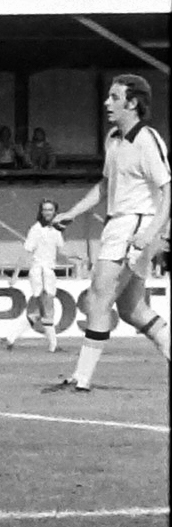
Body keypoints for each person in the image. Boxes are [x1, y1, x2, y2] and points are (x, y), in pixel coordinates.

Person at [45, 74, 170, 392]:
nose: (106, 103)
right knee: (132, 309)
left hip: (136, 224)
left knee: (98, 298)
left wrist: (150, 233)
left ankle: (81, 379)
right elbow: (105, 185)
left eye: (114, 97)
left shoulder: (147, 139)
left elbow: (168, 190)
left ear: (133, 102)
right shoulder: (114, 137)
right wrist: (72, 213)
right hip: (120, 223)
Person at [1, 199, 66, 353]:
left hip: (49, 271)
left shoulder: (56, 230)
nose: (48, 212)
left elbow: (61, 251)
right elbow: (26, 252)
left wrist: (78, 259)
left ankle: (10, 337)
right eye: (45, 209)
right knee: (47, 307)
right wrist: (15, 275)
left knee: (39, 312)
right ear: (41, 212)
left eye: (50, 209)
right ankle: (53, 346)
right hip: (40, 271)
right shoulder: (36, 229)